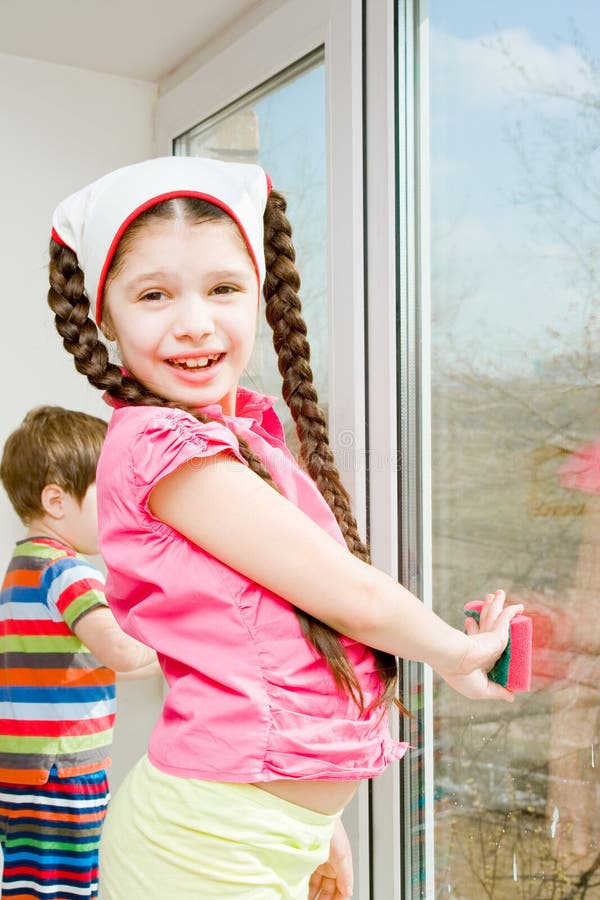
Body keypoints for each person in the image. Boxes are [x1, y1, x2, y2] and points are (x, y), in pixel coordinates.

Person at [46, 156, 522, 900]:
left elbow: (257, 644)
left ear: (259, 295)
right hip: (202, 849)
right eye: (154, 295)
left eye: (224, 288)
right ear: (105, 317)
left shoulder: (243, 439)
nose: (194, 322)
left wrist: (316, 832)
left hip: (256, 834)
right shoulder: (161, 448)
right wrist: (457, 652)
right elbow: (350, 599)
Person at [0, 406, 158, 900]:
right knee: (73, 883)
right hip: (63, 771)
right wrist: (173, 648)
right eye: (107, 498)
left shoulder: (21, 568)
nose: (116, 513)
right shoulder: (68, 572)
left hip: (22, 766)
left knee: (31, 882)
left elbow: (81, 662)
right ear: (56, 501)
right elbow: (120, 652)